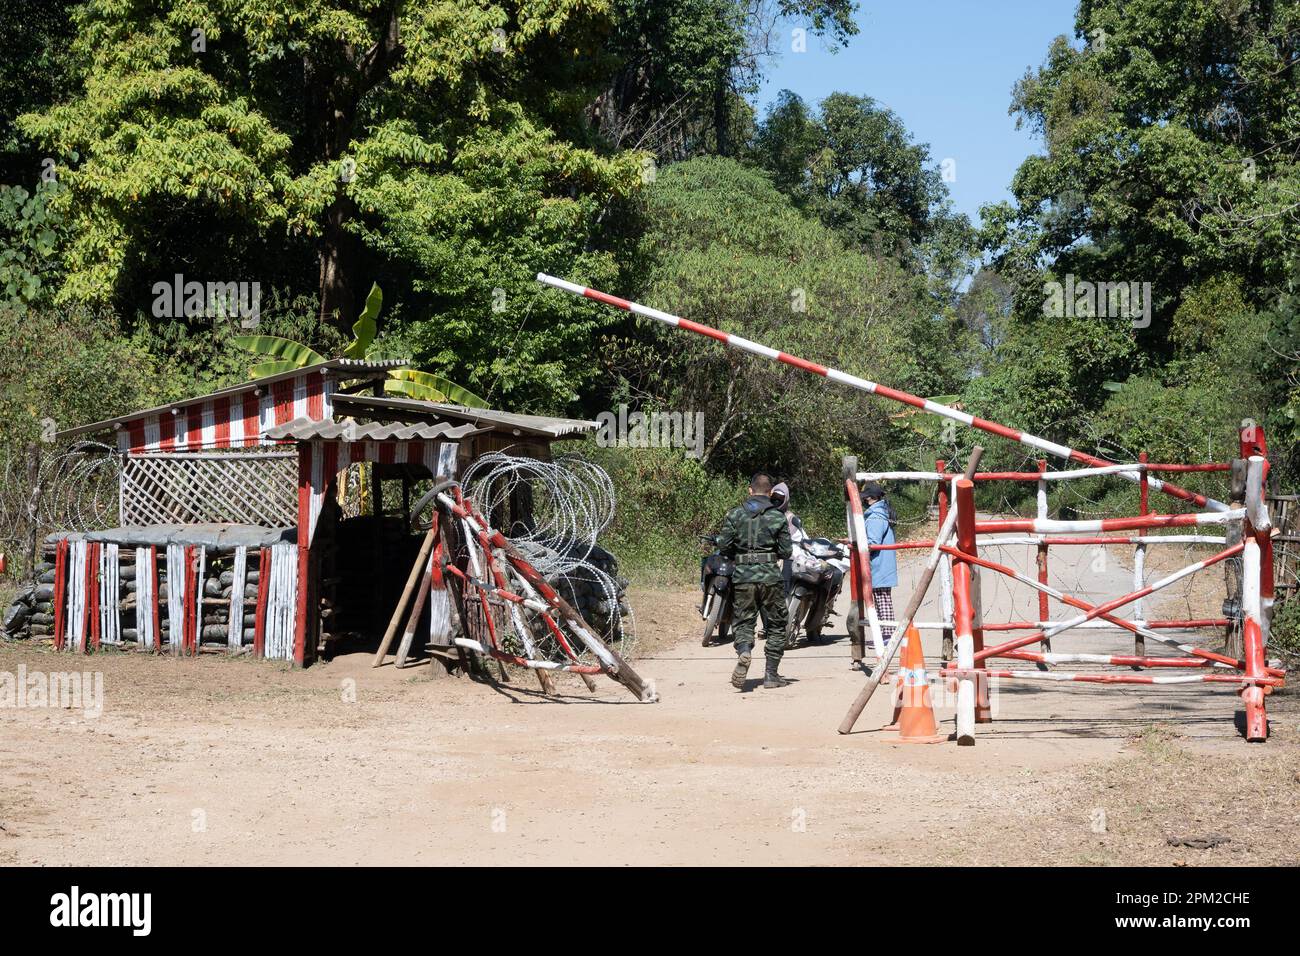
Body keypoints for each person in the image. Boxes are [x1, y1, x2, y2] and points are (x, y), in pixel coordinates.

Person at [716, 471, 793, 689]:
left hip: (743, 577)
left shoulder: (735, 515)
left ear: (750, 490)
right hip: (770, 578)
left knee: (743, 621)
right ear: (770, 493)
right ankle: (771, 675)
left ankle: (744, 652)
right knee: (777, 625)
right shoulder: (778, 517)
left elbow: (723, 545)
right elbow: (786, 551)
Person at [862, 481, 898, 646]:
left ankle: (888, 635)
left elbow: (873, 542)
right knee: (882, 600)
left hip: (879, 565)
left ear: (870, 498)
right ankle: (885, 634)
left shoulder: (876, 516)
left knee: (882, 600)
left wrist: (860, 549)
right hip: (883, 564)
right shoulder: (880, 513)